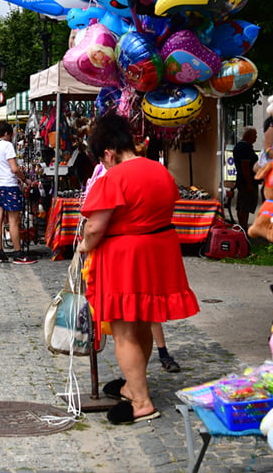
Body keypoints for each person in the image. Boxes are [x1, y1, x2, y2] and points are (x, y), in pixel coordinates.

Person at [76, 113, 199, 425]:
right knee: (143, 322)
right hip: (159, 250)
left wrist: (84, 247)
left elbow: (95, 227)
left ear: (108, 152)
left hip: (125, 256)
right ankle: (132, 386)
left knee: (124, 331)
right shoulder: (159, 170)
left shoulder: (112, 178)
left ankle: (141, 402)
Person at [0, 122, 32, 264]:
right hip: (9, 185)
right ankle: (17, 253)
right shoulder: (7, 145)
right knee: (13, 221)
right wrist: (25, 179)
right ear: (6, 134)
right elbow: (14, 169)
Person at [232, 126, 259, 229]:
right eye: (254, 135)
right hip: (246, 181)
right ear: (248, 136)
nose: (256, 137)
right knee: (244, 206)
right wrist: (249, 184)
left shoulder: (243, 146)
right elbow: (245, 167)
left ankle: (243, 227)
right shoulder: (244, 147)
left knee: (245, 206)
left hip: (244, 181)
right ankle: (242, 227)